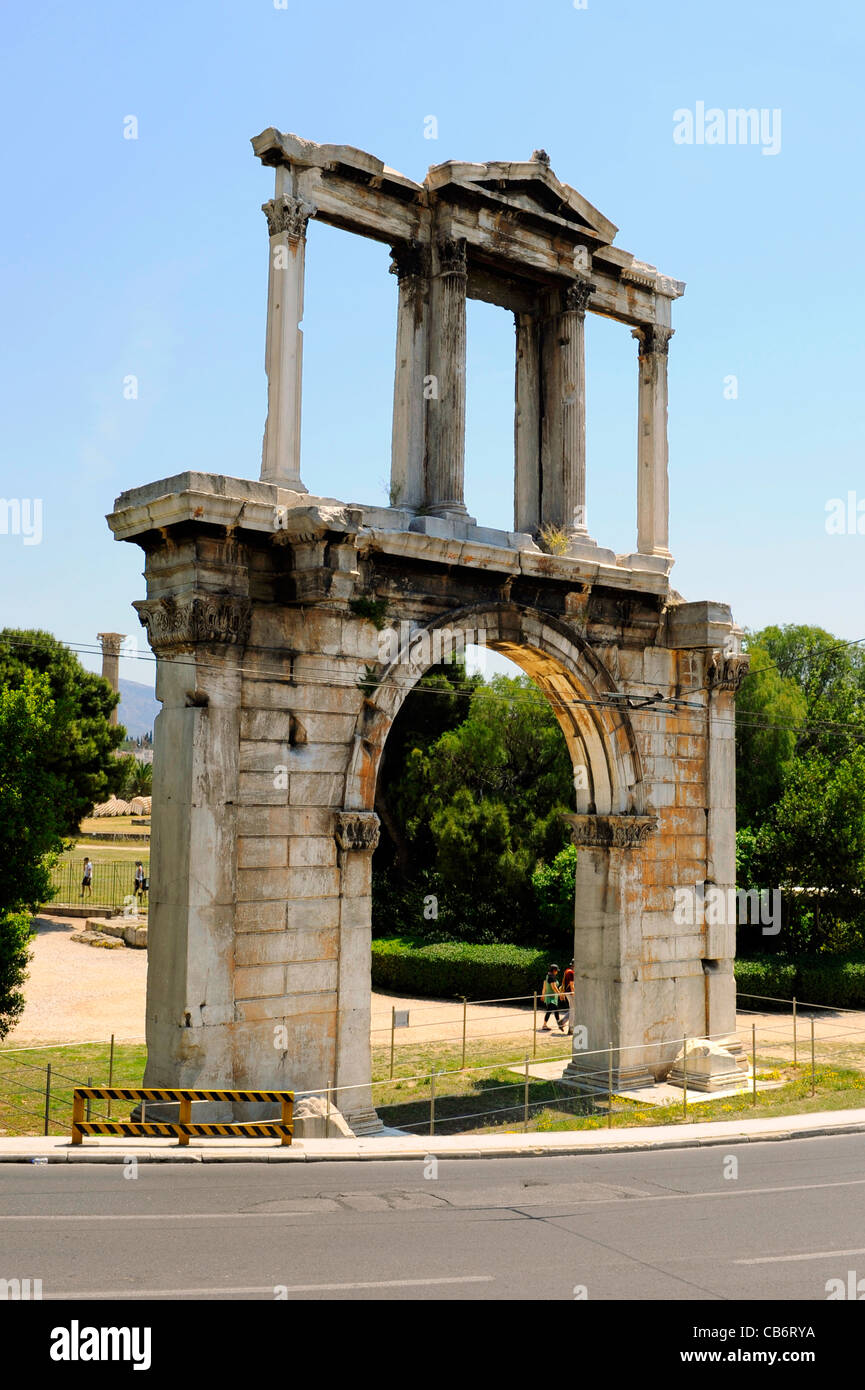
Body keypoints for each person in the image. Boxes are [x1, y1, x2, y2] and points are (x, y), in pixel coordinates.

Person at [540, 964, 567, 1032]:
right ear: (554, 970)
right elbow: (554, 987)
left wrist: (543, 995)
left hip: (548, 996)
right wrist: (560, 994)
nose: (557, 972)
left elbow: (544, 987)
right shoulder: (552, 977)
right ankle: (555, 1024)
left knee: (554, 1010)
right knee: (551, 1010)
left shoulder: (547, 976)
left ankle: (558, 1024)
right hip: (552, 997)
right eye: (556, 971)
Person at [562, 959, 575, 1035]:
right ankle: (571, 1029)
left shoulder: (567, 971)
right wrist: (574, 993)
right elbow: (572, 984)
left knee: (572, 1009)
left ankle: (563, 1021)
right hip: (571, 993)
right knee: (573, 1010)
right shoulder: (571, 973)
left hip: (567, 993)